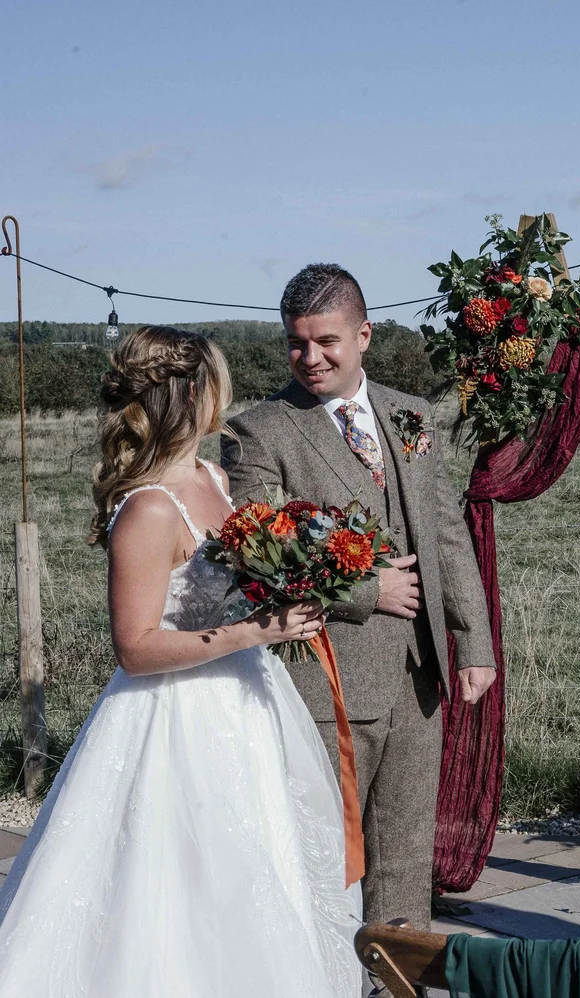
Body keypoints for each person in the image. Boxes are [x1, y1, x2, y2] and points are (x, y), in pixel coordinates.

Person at [0, 326, 363, 996]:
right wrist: (255, 632)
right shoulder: (148, 510)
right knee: (174, 891)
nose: (224, 395)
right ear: (190, 394)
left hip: (248, 709)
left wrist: (296, 581)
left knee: (258, 875)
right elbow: (135, 648)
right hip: (173, 718)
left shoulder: (213, 477)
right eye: (215, 382)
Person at [222, 263, 495, 944]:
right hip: (326, 681)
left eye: (327, 341)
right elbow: (254, 555)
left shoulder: (411, 414)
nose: (309, 358)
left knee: (405, 855)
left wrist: (476, 641)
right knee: (324, 859)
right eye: (296, 343)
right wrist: (369, 592)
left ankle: (399, 982)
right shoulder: (261, 431)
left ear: (364, 334)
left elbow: (443, 531)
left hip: (420, 676)